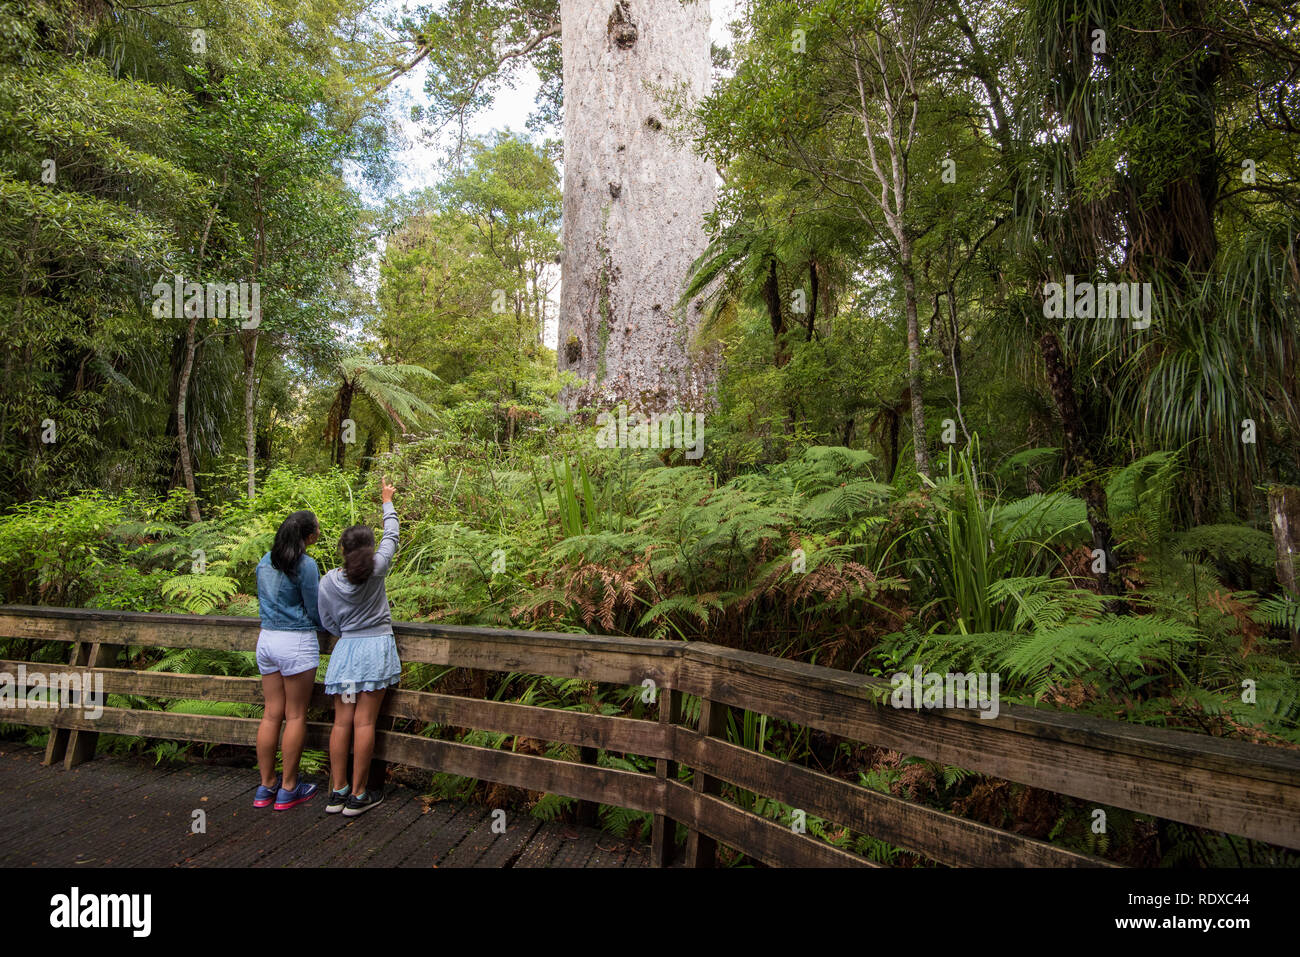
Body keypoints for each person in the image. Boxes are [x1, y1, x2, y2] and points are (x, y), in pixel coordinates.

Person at [317, 477, 402, 817]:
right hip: (375, 651)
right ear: (369, 549)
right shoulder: (378, 569)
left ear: (343, 550)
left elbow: (328, 622)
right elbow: (392, 536)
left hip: (347, 654)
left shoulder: (328, 581)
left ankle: (336, 793)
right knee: (365, 724)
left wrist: (346, 631)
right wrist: (387, 501)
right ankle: (359, 794)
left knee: (342, 723)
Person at [253, 510, 323, 810]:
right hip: (295, 642)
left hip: (267, 639)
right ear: (308, 537)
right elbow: (315, 607)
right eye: (316, 531)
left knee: (271, 714)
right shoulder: (306, 565)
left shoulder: (264, 562)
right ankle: (289, 788)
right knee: (295, 716)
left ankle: (266, 786)